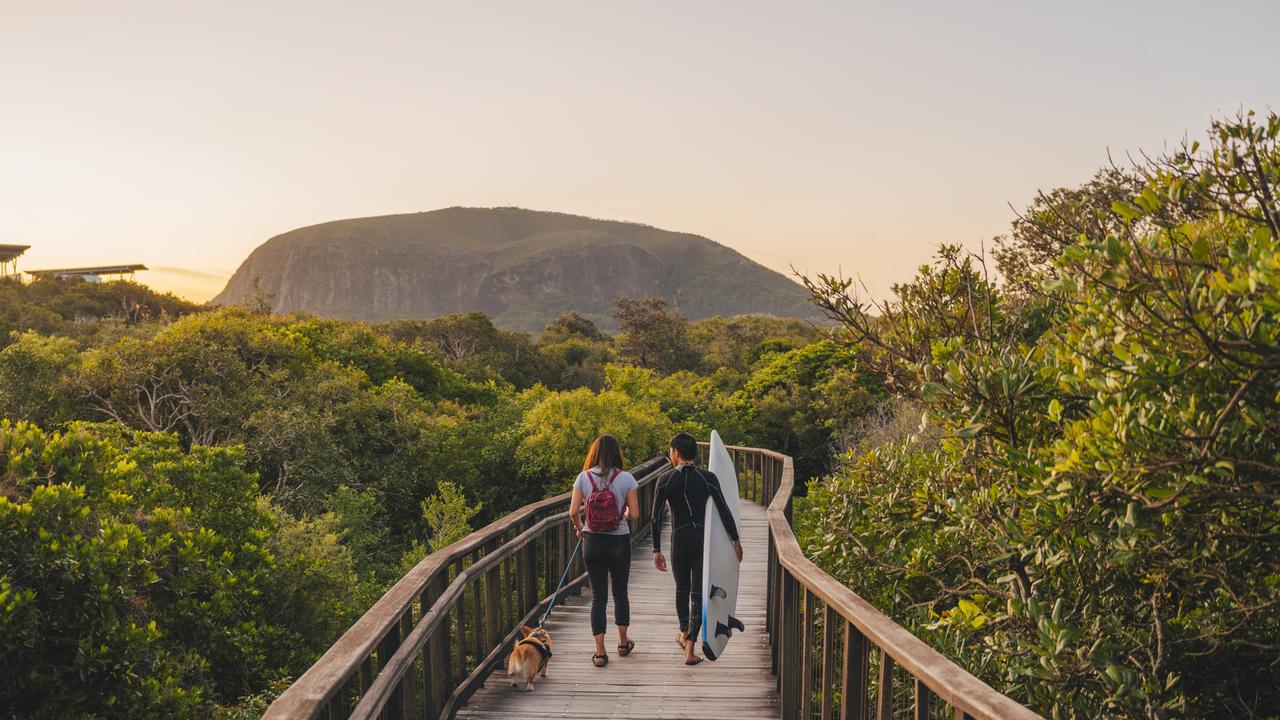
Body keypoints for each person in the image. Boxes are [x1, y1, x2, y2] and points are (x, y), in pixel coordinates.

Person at [651, 432, 742, 666]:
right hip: (702, 541)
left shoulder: (665, 479)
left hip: (679, 540)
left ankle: (683, 632)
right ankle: (690, 648)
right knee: (698, 593)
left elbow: (655, 518)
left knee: (682, 589)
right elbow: (724, 510)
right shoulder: (708, 478)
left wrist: (656, 549)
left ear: (676, 453)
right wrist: (735, 540)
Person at [568, 434, 640, 667]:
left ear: (594, 453)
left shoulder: (583, 477)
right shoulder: (626, 478)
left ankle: (600, 652)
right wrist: (624, 513)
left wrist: (581, 528)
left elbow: (573, 512)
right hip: (619, 541)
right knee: (620, 592)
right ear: (617, 453)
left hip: (593, 541)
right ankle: (623, 643)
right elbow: (635, 514)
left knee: (599, 596)